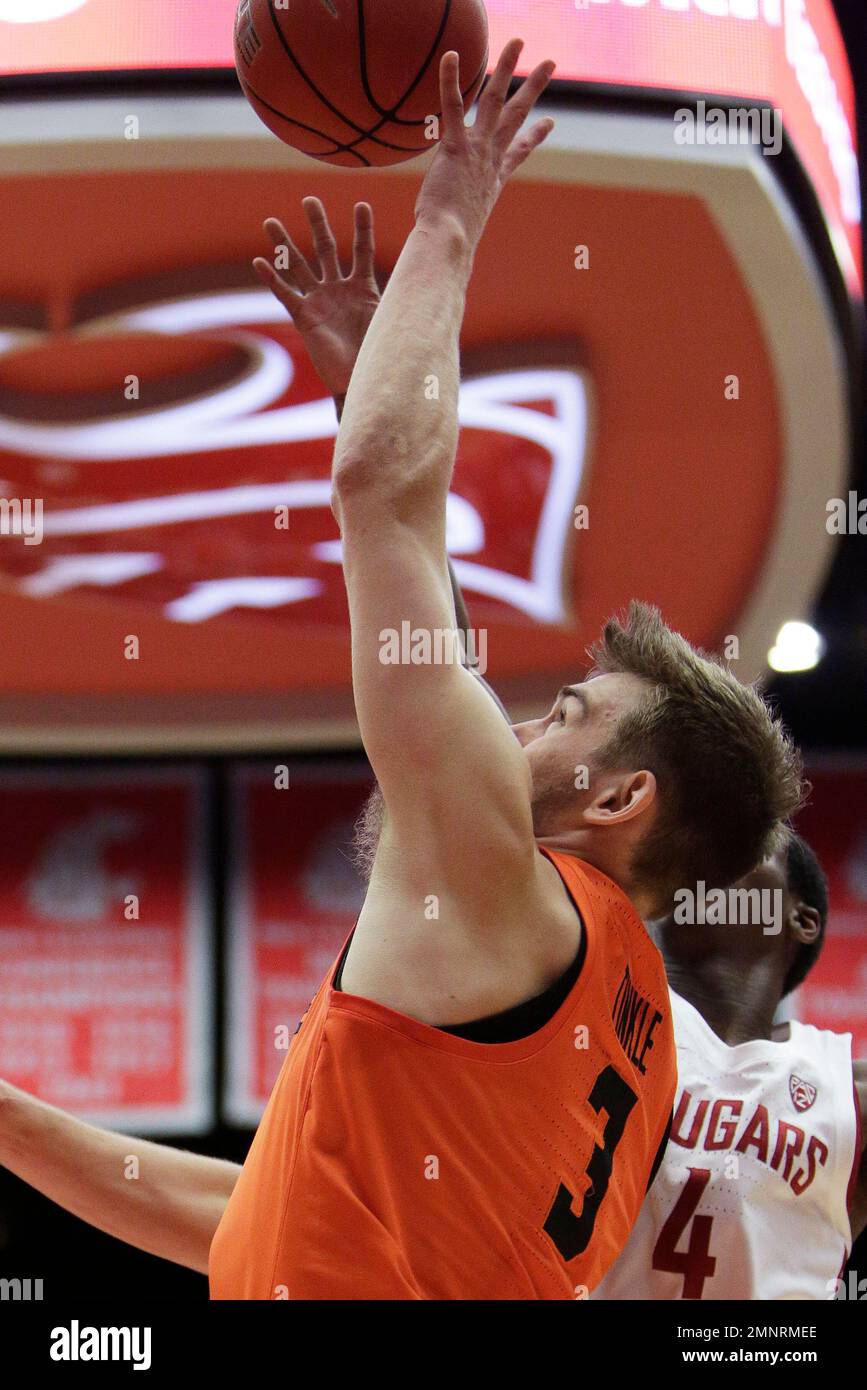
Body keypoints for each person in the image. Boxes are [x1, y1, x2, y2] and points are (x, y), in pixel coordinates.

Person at [0, 47, 802, 1299]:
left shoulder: (516, 899)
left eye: (567, 713)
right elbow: (247, 1210)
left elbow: (384, 493)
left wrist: (453, 204)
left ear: (619, 800)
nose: (524, 723)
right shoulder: (626, 1031)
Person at [593, 834, 866, 1300]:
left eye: (747, 839)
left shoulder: (848, 1090)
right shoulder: (593, 1014)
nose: (701, 848)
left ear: (801, 919)